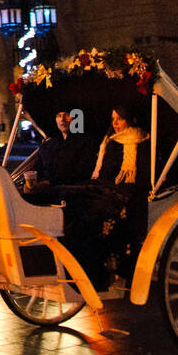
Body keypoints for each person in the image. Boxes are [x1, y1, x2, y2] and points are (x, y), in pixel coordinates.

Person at [62, 106, 151, 292]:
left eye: (120, 118)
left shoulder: (141, 140)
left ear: (130, 120)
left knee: (98, 217)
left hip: (129, 192)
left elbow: (141, 175)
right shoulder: (109, 141)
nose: (115, 123)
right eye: (113, 119)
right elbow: (102, 172)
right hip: (107, 188)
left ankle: (106, 272)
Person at [37, 109, 98, 187]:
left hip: (70, 190)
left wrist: (49, 182)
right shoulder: (48, 144)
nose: (62, 119)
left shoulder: (85, 143)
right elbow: (37, 168)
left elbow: (82, 173)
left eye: (67, 115)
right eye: (59, 116)